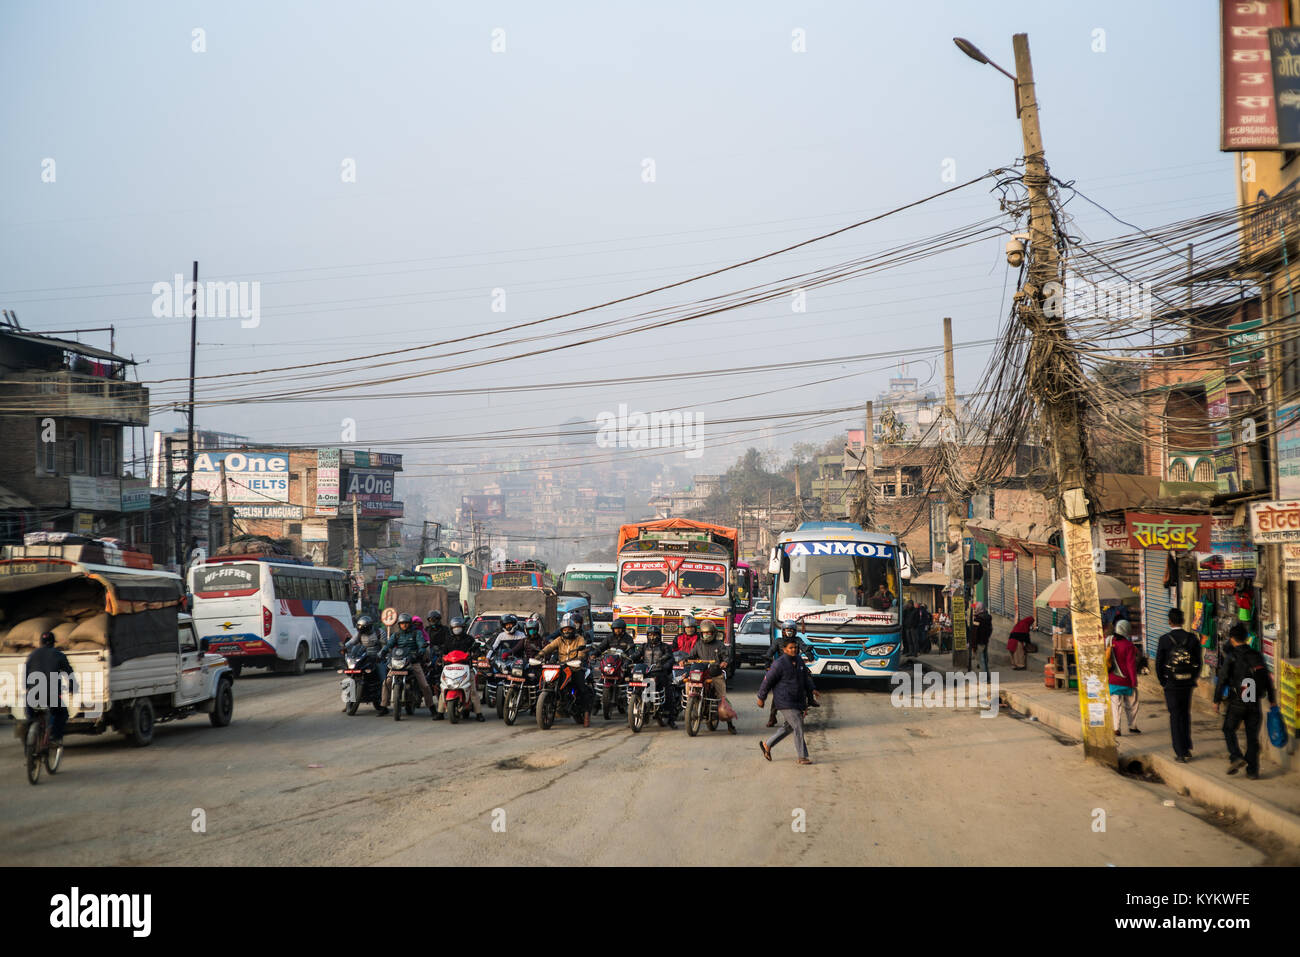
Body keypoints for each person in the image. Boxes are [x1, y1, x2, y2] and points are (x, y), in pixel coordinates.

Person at [1215, 624, 1276, 779]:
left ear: (1232, 639)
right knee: (1252, 737)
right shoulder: (1256, 655)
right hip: (1254, 701)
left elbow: (1221, 679)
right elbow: (1267, 678)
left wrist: (1216, 700)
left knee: (1228, 729)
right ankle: (1253, 771)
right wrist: (1272, 699)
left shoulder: (1232, 656)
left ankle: (1236, 756)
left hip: (1238, 701)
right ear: (1246, 638)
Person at [757, 634, 819, 765]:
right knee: (798, 726)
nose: (794, 650)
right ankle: (802, 756)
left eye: (795, 647)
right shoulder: (778, 664)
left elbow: (806, 678)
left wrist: (812, 689)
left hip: (798, 700)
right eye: (791, 648)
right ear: (784, 649)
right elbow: (767, 681)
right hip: (785, 700)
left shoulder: (800, 661)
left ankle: (767, 745)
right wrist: (761, 697)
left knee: (789, 727)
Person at [1155, 607, 1202, 763]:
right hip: (1187, 683)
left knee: (1175, 716)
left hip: (1172, 684)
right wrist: (1192, 678)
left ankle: (1180, 752)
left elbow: (1158, 664)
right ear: (1183, 621)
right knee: (1185, 714)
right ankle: (1187, 747)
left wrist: (1164, 681)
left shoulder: (1164, 639)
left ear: (1170, 621)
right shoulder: (1192, 638)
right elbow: (1198, 663)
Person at [538, 614, 591, 727]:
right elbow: (550, 647)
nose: (567, 631)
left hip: (575, 667)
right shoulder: (559, 640)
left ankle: (586, 713)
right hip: (562, 667)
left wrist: (580, 657)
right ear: (561, 630)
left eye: (569, 629)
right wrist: (541, 654)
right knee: (549, 680)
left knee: (582, 689)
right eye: (565, 629)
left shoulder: (579, 639)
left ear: (573, 630)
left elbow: (582, 650)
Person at [25, 631, 76, 746]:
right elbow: (69, 673)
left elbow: (26, 673)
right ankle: (55, 737)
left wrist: (27, 688)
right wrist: (72, 687)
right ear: (53, 643)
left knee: (30, 716)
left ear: (40, 643)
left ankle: (30, 735)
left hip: (33, 695)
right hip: (51, 696)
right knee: (62, 713)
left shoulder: (32, 655)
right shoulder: (59, 654)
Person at [379, 613, 435, 718]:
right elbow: (388, 645)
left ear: (409, 624)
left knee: (425, 685)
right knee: (387, 682)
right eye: (402, 624)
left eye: (406, 623)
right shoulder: (396, 635)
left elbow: (421, 644)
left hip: (412, 662)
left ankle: (432, 708)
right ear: (399, 625)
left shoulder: (416, 633)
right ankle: (383, 707)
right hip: (398, 662)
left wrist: (420, 652)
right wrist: (382, 652)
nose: (404, 625)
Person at [684, 618, 735, 733]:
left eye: (708, 633)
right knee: (687, 683)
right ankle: (692, 705)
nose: (706, 635)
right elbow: (691, 656)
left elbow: (727, 656)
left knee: (722, 699)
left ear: (713, 633)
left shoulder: (720, 645)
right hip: (702, 674)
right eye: (704, 633)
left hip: (715, 674)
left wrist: (725, 662)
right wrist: (685, 660)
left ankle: (730, 725)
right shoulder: (698, 645)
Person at [628, 624, 677, 728]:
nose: (652, 637)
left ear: (659, 635)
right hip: (645, 672)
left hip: (659, 672)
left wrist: (665, 665)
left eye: (654, 634)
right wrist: (629, 660)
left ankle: (671, 719)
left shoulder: (665, 647)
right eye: (650, 635)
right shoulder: (644, 646)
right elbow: (636, 655)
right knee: (633, 685)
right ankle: (633, 717)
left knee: (668, 692)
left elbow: (671, 659)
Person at [1107, 619, 1141, 735]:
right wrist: (1134, 681)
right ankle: (1132, 725)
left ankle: (1116, 728)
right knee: (1132, 703)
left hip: (1112, 679)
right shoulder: (1129, 645)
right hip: (1126, 680)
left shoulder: (1109, 641)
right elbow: (1131, 665)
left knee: (1115, 705)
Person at [767, 619, 800, 727]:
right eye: (787, 629)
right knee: (777, 690)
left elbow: (805, 648)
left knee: (807, 680)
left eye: (791, 629)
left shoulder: (798, 640)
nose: (789, 631)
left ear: (795, 631)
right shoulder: (778, 641)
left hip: (796, 666)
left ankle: (809, 700)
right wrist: (767, 662)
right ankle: (772, 716)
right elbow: (770, 652)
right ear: (783, 631)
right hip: (782, 669)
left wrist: (809, 652)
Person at [969, 601, 993, 676]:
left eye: (975, 608)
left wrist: (973, 644)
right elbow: (990, 629)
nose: (974, 609)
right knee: (985, 660)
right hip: (985, 641)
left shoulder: (978, 619)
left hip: (979, 642)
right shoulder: (988, 618)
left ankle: (985, 679)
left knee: (982, 661)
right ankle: (987, 678)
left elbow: (975, 633)